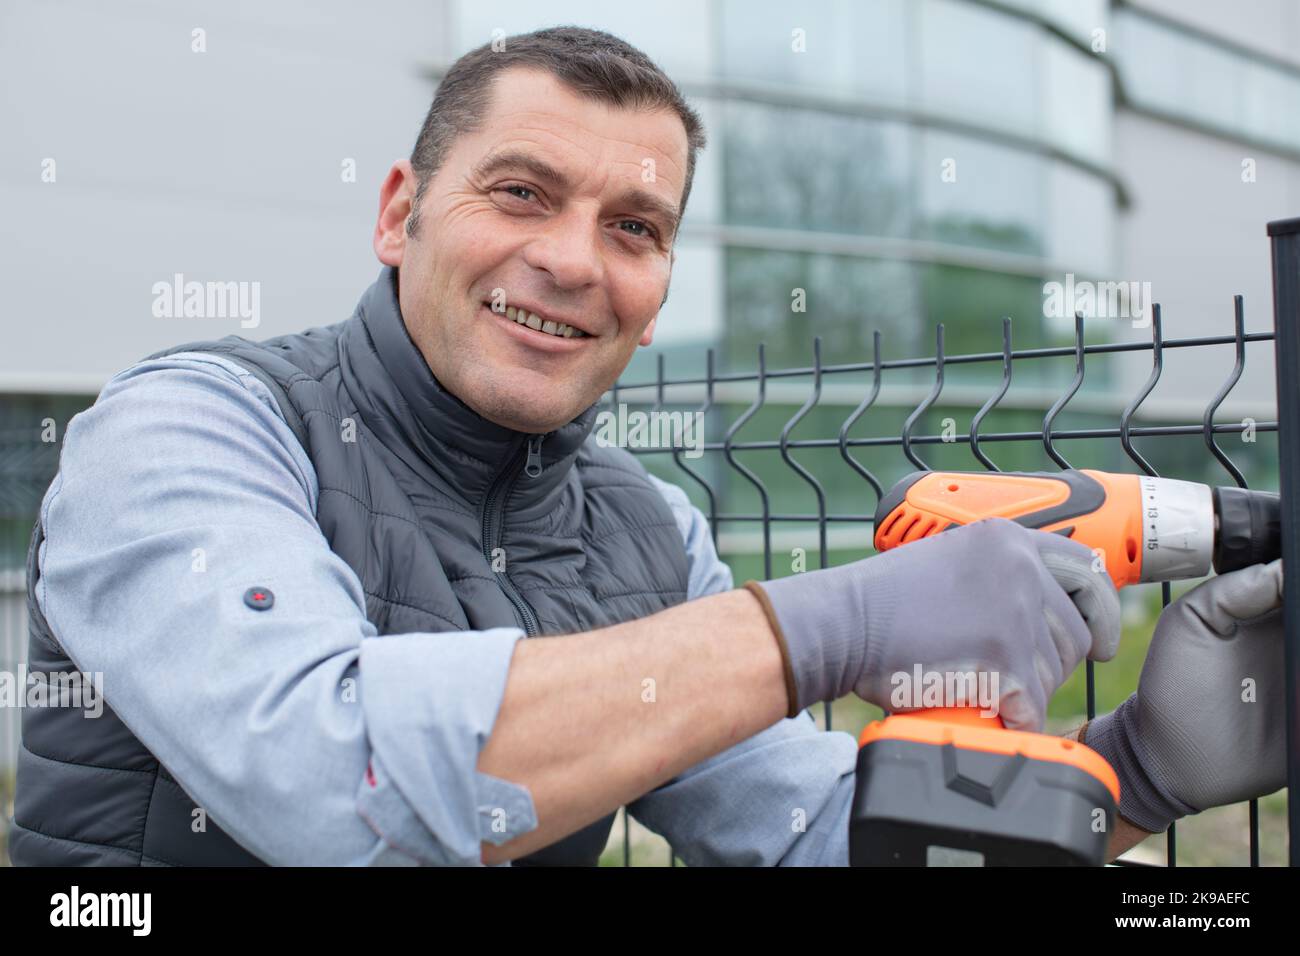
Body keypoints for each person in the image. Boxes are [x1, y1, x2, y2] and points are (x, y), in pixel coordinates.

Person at [9, 26, 1286, 867]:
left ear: (663, 276)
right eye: (519, 192)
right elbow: (323, 775)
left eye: (634, 225)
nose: (570, 259)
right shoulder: (191, 425)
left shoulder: (644, 526)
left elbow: (804, 828)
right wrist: (819, 627)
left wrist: (1128, 770)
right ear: (401, 213)